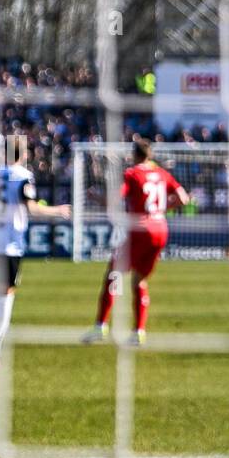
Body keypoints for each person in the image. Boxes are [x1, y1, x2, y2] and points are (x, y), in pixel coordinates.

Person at [0, 139, 71, 367]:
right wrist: (57, 210)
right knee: (6, 295)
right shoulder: (23, 175)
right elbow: (31, 207)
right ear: (22, 154)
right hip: (10, 244)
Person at [81, 139, 189, 345]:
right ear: (150, 155)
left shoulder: (131, 174)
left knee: (113, 276)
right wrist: (161, 210)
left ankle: (100, 327)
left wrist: (96, 197)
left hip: (140, 229)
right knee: (139, 280)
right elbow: (183, 198)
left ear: (134, 155)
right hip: (160, 229)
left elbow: (114, 201)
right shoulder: (162, 173)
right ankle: (139, 331)